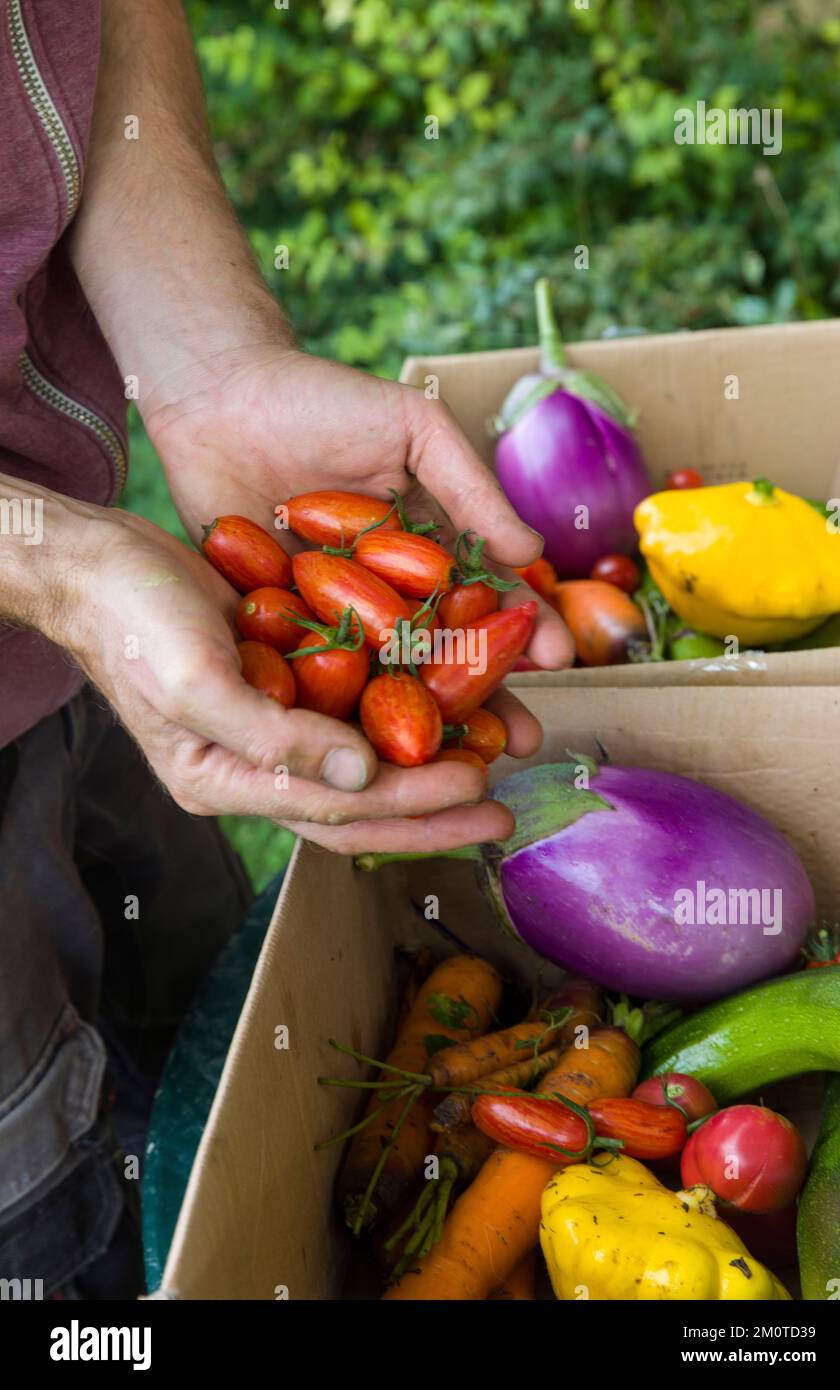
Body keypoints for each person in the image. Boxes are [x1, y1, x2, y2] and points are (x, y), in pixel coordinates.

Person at [0, 0, 573, 1296]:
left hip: (83, 638)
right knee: (50, 1222)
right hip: (69, 589)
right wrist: (47, 563)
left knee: (208, 1014)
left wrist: (212, 358)